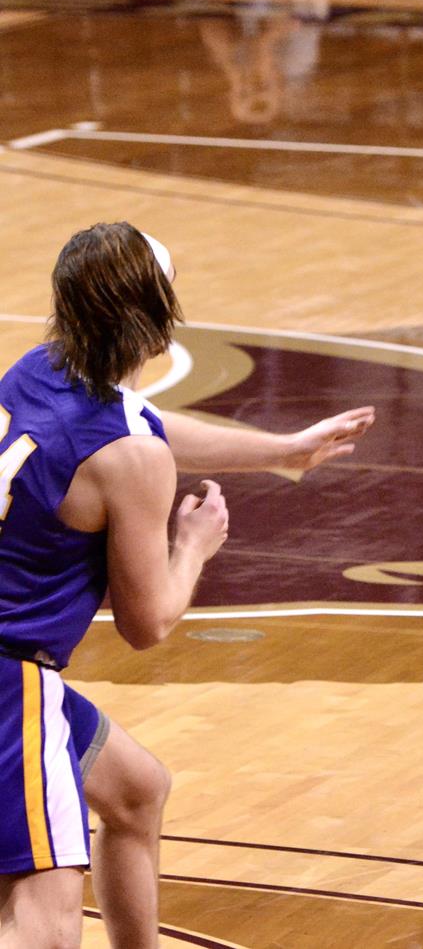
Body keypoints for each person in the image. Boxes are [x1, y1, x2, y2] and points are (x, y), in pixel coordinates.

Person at [0, 223, 373, 947]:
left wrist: (284, 451)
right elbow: (149, 623)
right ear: (157, 319)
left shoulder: (36, 370)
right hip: (12, 685)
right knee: (43, 931)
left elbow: (146, 428)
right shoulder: (127, 460)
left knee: (136, 791)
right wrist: (193, 547)